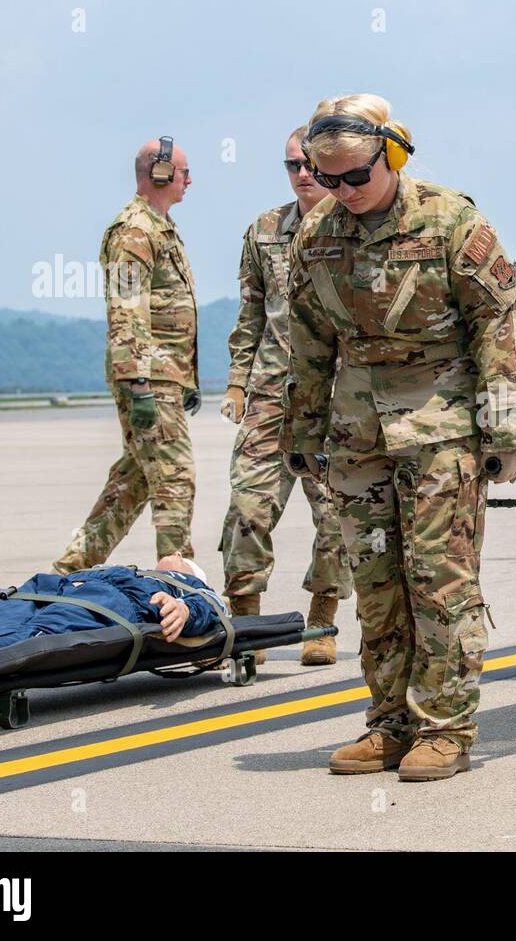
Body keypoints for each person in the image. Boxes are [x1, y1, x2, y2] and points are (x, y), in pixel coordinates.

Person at [283, 94, 516, 781]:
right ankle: (390, 722)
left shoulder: (451, 220)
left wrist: (505, 429)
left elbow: (497, 323)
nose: (343, 191)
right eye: (328, 180)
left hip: (441, 424)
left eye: (356, 176)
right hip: (358, 433)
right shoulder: (317, 236)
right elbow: (305, 341)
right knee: (376, 581)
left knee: (439, 581)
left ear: (391, 155)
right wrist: (301, 429)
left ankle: (446, 728)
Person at [219, 124, 352, 666]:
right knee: (247, 509)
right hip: (271, 392)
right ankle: (246, 632)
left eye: (308, 165)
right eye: (291, 166)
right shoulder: (265, 230)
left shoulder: (356, 228)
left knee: (337, 515)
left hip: (339, 397)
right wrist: (235, 382)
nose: (301, 175)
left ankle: (321, 623)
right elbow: (251, 312)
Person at [53, 138, 200, 574]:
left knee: (134, 482)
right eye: (183, 171)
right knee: (174, 477)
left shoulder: (160, 226)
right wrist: (140, 384)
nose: (190, 180)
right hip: (149, 376)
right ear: (159, 173)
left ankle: (69, 571)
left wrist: (185, 378)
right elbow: (127, 308)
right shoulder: (136, 229)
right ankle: (178, 582)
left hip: (164, 376)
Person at [0, 555, 220, 679]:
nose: (175, 554)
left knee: (33, 635)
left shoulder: (186, 586)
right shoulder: (136, 568)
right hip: (54, 586)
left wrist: (187, 610)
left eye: (182, 558)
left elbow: (214, 611)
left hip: (111, 601)